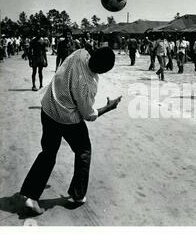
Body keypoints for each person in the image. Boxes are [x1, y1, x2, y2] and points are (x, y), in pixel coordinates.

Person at [19, 47, 122, 215]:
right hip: (68, 120)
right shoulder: (88, 85)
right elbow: (88, 114)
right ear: (104, 70)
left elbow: (87, 49)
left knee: (48, 153)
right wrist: (108, 107)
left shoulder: (79, 54)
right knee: (83, 150)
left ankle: (31, 196)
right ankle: (77, 195)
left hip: (49, 108)